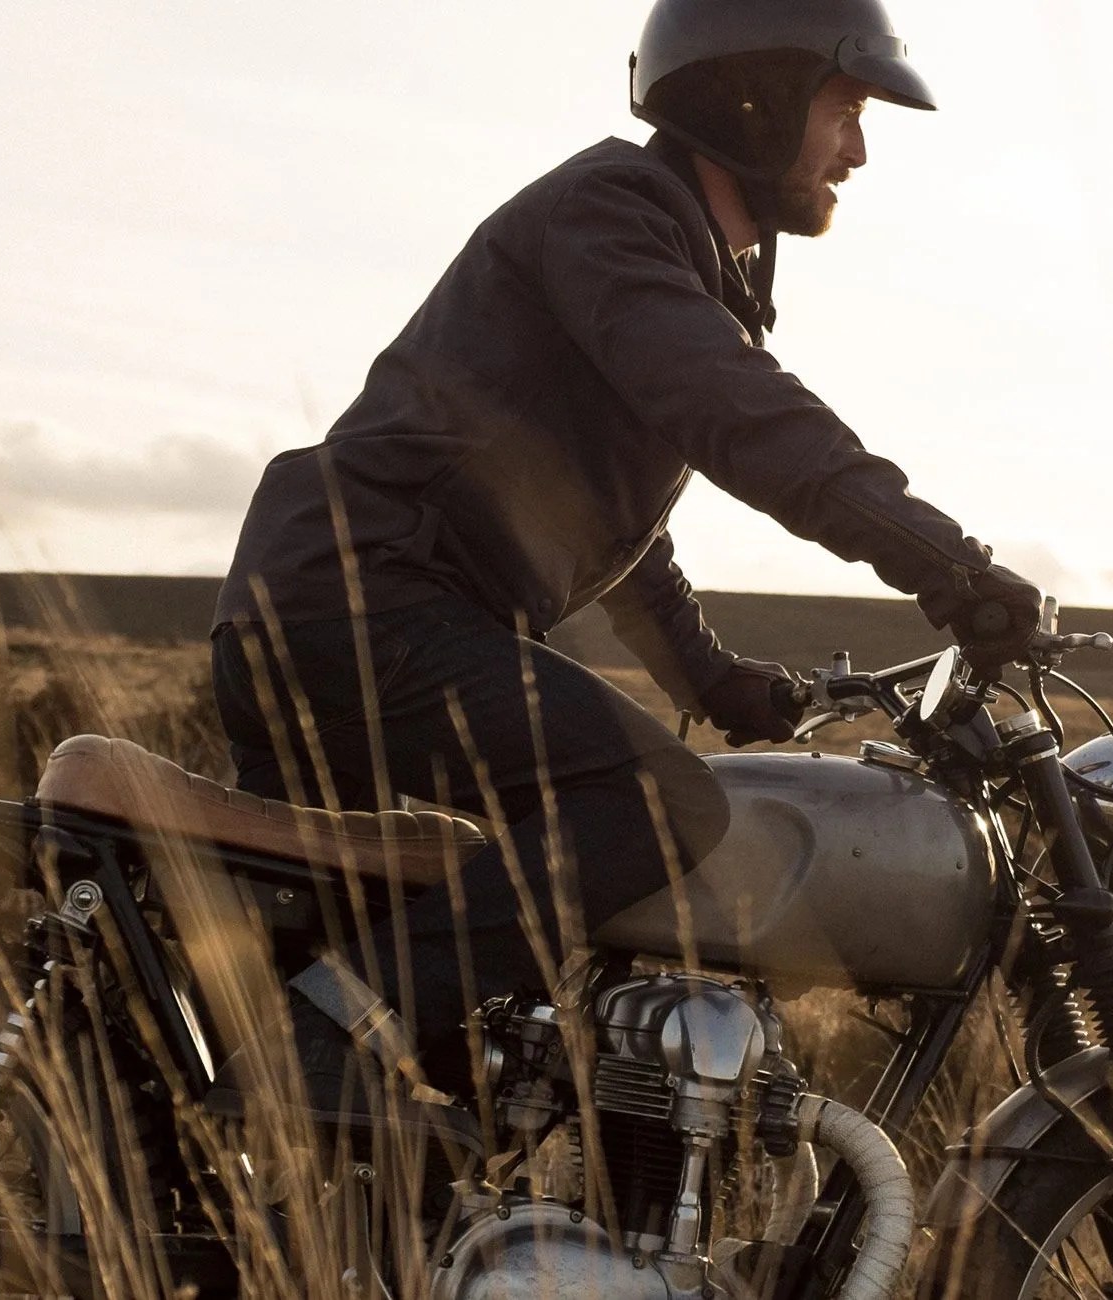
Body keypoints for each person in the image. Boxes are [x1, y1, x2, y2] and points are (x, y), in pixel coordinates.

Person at [209, 0, 1042, 1103]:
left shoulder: (658, 254)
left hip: (365, 611)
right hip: (369, 608)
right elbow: (730, 410)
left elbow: (608, 525)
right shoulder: (613, 214)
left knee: (460, 1074)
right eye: (842, 108)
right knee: (663, 801)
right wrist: (944, 563)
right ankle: (324, 1038)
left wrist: (712, 676)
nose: (857, 148)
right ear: (753, 97)